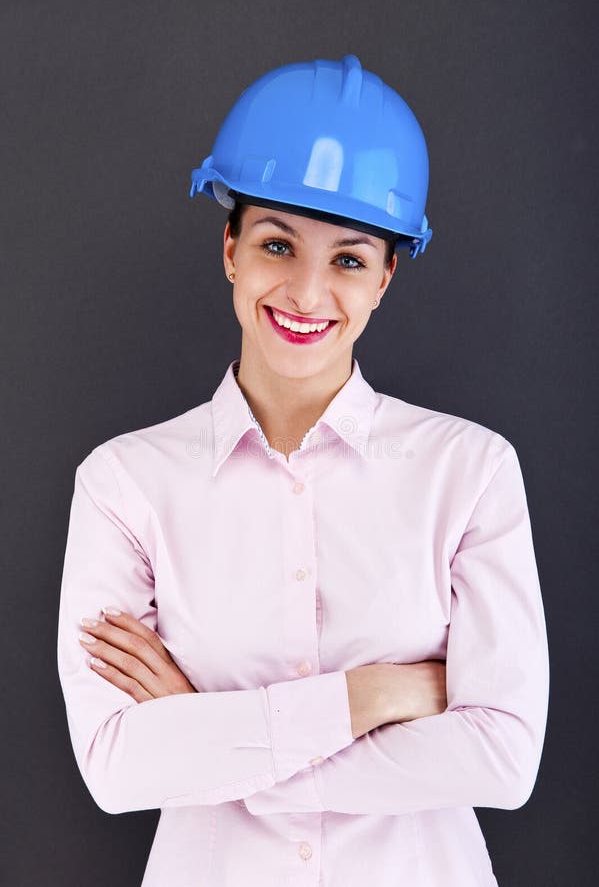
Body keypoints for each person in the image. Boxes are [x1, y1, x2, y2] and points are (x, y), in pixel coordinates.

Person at [56, 54, 549, 886]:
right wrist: (374, 696)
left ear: (387, 277)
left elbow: (502, 756)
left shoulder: (468, 471)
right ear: (230, 250)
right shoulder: (125, 484)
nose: (307, 291)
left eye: (350, 260)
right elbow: (115, 767)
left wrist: (212, 739)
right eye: (277, 244)